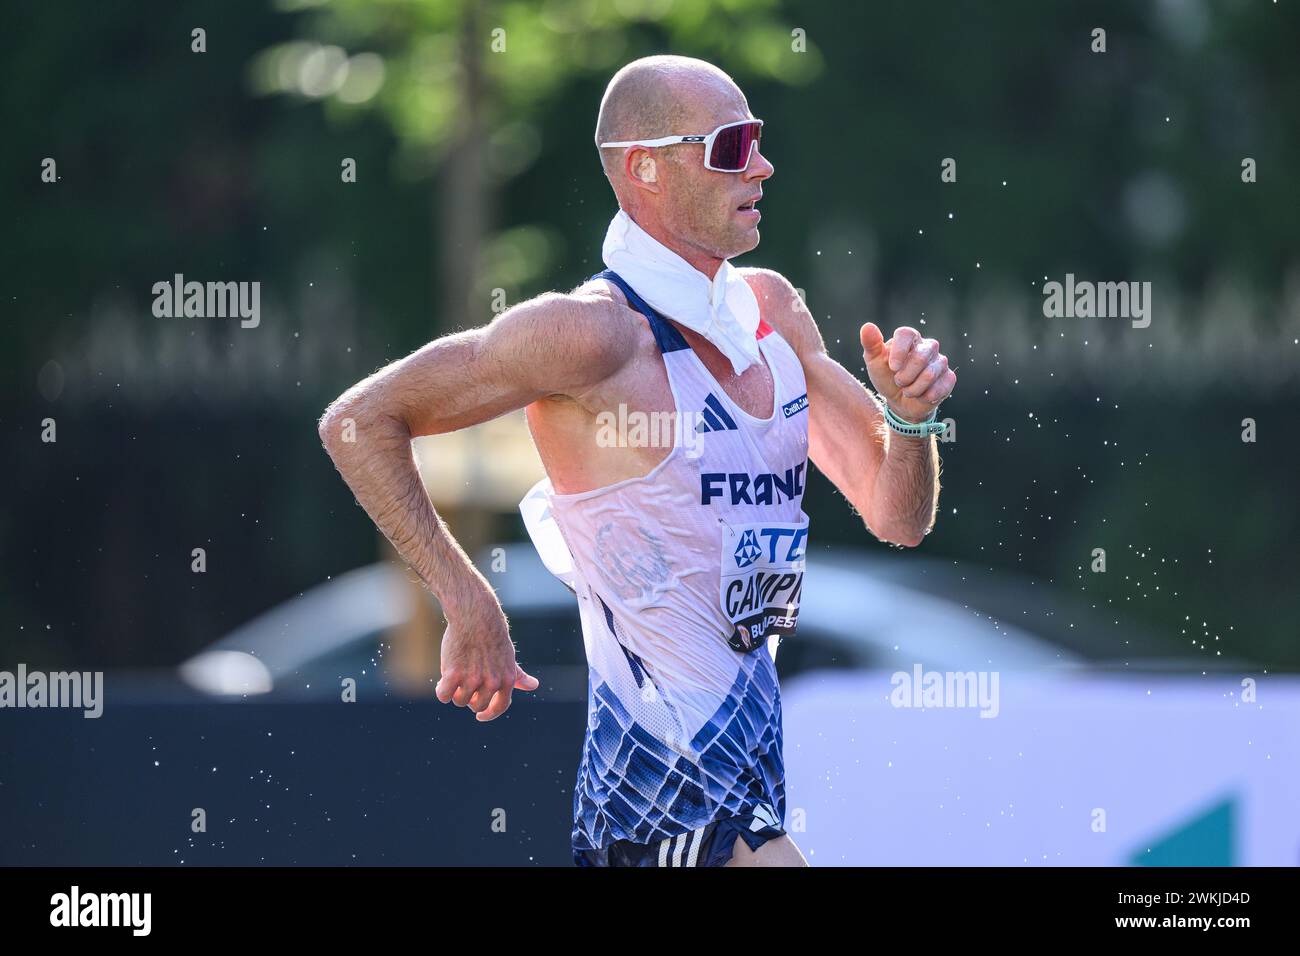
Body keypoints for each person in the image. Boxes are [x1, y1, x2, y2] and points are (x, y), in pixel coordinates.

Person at [318, 54, 956, 867]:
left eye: (756, 139)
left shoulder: (773, 314)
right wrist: (465, 598)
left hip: (741, 784)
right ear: (645, 167)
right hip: (661, 797)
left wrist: (909, 418)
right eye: (730, 146)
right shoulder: (591, 337)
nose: (762, 164)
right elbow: (358, 422)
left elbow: (898, 516)